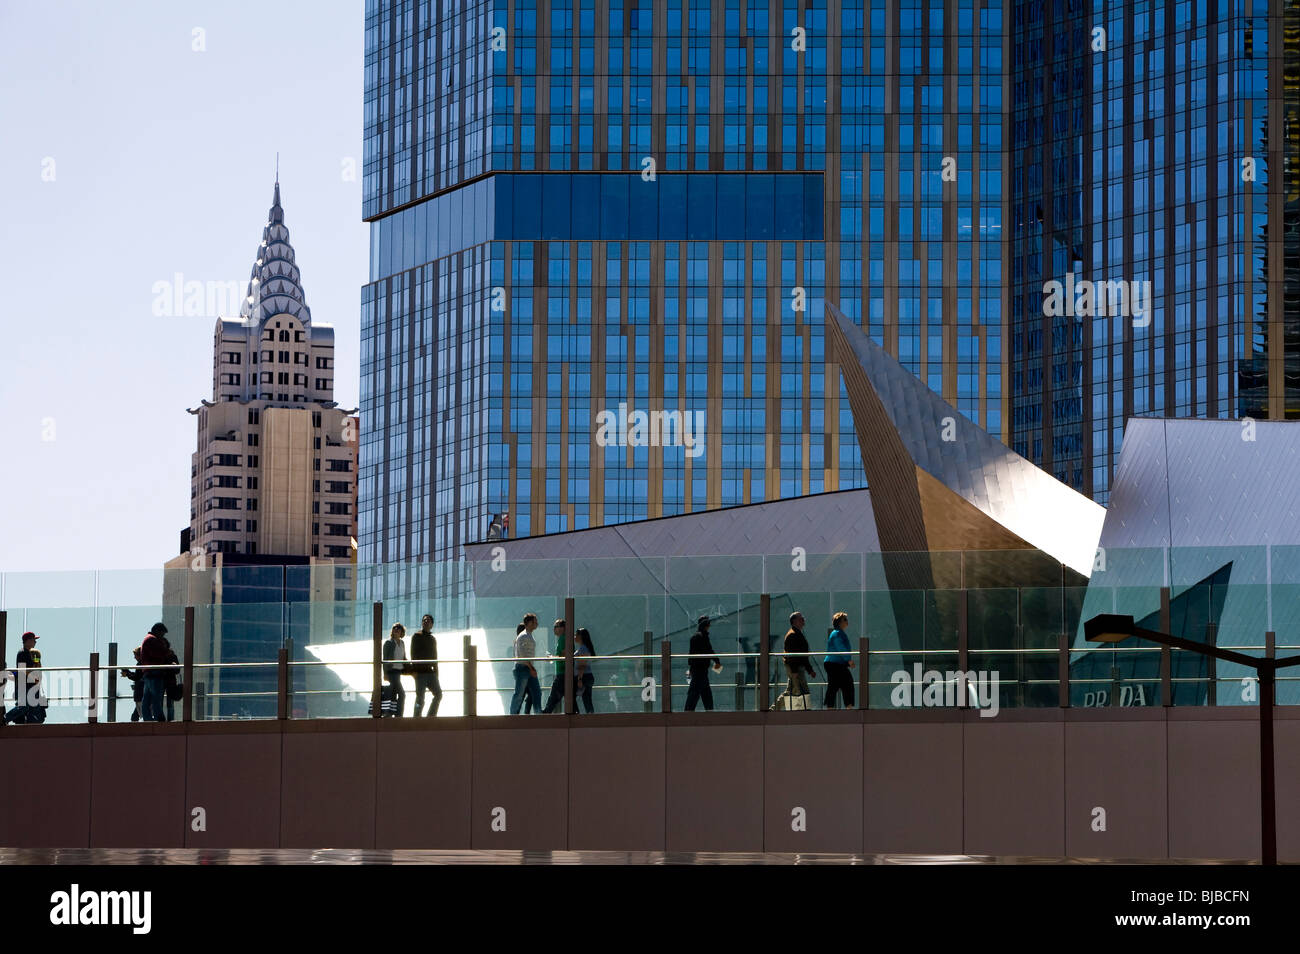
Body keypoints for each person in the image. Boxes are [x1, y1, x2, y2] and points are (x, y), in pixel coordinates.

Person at [772, 612, 817, 710]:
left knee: (792, 690)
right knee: (802, 689)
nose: (803, 620)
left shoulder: (797, 634)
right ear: (795, 621)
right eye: (801, 618)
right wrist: (794, 671)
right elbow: (791, 655)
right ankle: (806, 710)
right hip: (796, 668)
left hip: (797, 668)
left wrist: (810, 670)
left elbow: (803, 655)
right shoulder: (792, 635)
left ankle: (774, 708)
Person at [3, 632, 46, 725]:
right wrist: (34, 678)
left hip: (30, 686)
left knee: (32, 708)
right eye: (33, 640)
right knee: (23, 706)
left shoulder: (31, 654)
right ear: (28, 641)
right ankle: (4, 719)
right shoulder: (22, 653)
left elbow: (35, 668)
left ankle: (31, 725)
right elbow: (22, 669)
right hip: (23, 686)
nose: (35, 642)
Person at [685, 616, 722, 712]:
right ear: (706, 625)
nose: (709, 627)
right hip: (700, 670)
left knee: (699, 692)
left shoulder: (697, 636)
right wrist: (717, 661)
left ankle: (691, 713)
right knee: (698, 692)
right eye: (708, 625)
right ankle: (706, 712)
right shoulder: (701, 637)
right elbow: (709, 650)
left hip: (698, 669)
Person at [409, 614, 442, 717]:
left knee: (438, 694)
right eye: (424, 620)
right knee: (420, 698)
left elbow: (435, 657)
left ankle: (431, 716)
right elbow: (413, 654)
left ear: (432, 624)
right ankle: (416, 716)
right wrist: (414, 671)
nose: (425, 622)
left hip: (430, 672)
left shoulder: (432, 639)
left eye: (428, 621)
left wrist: (436, 673)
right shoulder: (416, 636)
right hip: (420, 673)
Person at [138, 623, 171, 722]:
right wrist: (166, 651)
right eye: (162, 634)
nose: (162, 636)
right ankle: (159, 719)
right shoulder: (152, 640)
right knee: (157, 698)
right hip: (154, 672)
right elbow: (159, 653)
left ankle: (147, 719)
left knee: (147, 699)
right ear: (158, 631)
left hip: (148, 672)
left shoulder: (148, 639)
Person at [823, 611, 855, 709]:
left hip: (835, 664)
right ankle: (847, 706)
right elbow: (840, 647)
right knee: (847, 682)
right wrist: (848, 660)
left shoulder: (838, 633)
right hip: (834, 664)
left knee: (835, 685)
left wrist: (846, 661)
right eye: (845, 619)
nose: (847, 621)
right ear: (840, 622)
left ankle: (831, 707)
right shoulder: (837, 633)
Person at [510, 616, 542, 715]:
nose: (537, 623)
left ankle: (538, 713)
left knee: (536, 692)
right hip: (523, 668)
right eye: (535, 622)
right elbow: (523, 654)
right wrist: (531, 668)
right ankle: (513, 716)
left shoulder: (528, 635)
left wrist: (531, 668)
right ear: (529, 623)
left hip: (527, 668)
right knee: (519, 694)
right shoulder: (524, 636)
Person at [541, 618, 569, 714]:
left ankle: (545, 713)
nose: (554, 629)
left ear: (563, 628)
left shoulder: (562, 639)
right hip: (564, 672)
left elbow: (564, 655)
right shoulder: (564, 639)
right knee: (567, 696)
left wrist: (552, 657)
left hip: (562, 673)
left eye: (556, 627)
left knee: (554, 695)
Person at [382, 622, 407, 717]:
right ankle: (399, 715)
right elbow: (384, 659)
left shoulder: (402, 643)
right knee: (402, 694)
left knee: (393, 694)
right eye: (394, 628)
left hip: (398, 671)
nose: (396, 630)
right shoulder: (388, 643)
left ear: (401, 632)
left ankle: (389, 714)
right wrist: (385, 673)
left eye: (398, 629)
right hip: (391, 672)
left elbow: (404, 657)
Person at [574, 628, 596, 714]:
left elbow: (582, 666)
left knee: (583, 699)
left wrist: (580, 679)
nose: (574, 637)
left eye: (576, 635)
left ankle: (585, 717)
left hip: (584, 677)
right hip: (587, 676)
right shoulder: (584, 648)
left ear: (580, 636)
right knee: (587, 699)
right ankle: (590, 717)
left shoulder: (583, 648)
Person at [122, 646, 144, 722]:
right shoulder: (143, 664)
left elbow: (137, 677)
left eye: (135, 655)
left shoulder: (140, 664)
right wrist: (128, 673)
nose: (134, 657)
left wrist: (128, 673)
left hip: (141, 694)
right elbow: (137, 676)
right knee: (137, 716)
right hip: (142, 694)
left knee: (136, 717)